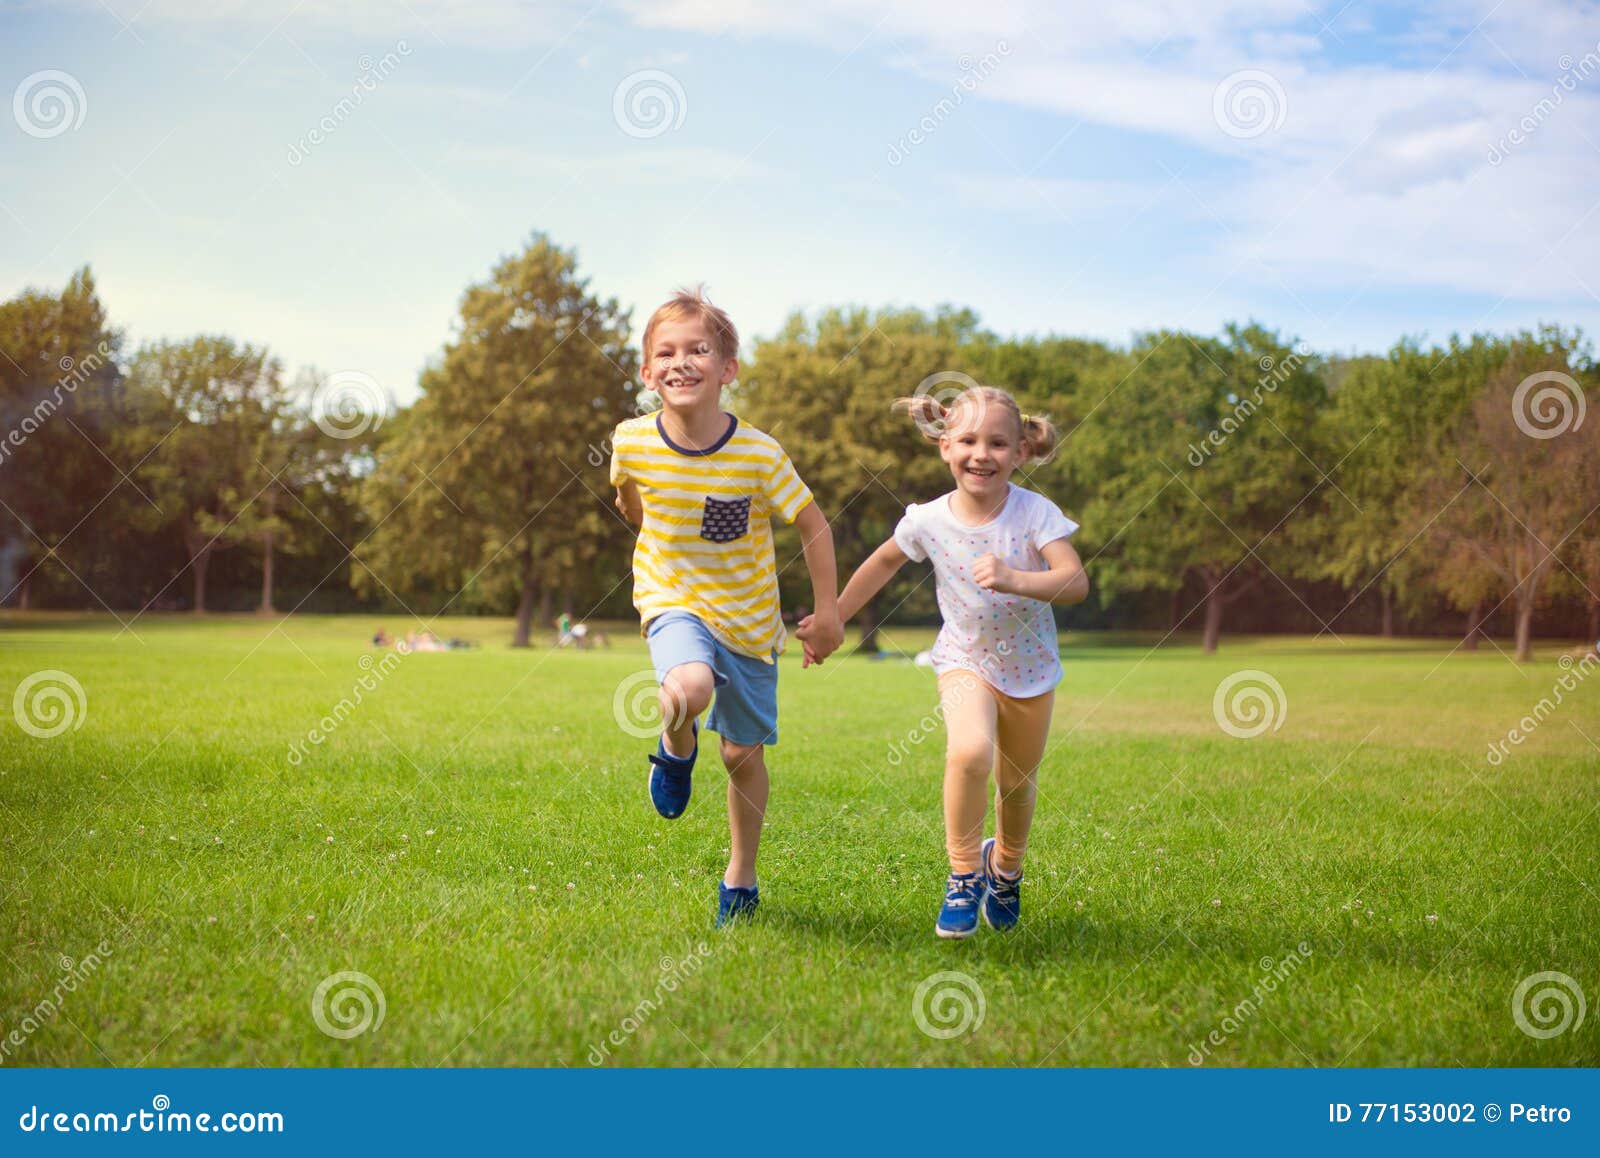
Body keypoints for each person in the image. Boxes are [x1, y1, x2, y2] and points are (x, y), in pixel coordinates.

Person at [801, 384, 1087, 938]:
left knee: (1017, 785)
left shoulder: (1035, 514)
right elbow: (883, 563)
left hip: (1030, 669)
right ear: (944, 447)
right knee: (969, 752)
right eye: (969, 441)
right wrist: (833, 617)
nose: (982, 454)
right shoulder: (927, 519)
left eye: (999, 443)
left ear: (1021, 453)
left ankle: (1004, 868)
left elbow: (1075, 580)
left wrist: (1016, 578)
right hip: (963, 659)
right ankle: (962, 876)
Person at [610, 287, 843, 927]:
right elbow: (630, 500)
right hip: (672, 600)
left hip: (749, 622)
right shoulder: (630, 441)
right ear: (647, 372)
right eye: (667, 352)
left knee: (742, 754)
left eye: (699, 349)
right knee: (687, 686)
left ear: (728, 367)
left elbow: (814, 525)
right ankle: (675, 743)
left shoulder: (760, 455)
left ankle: (741, 874)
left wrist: (828, 613)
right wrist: (645, 529)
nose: (682, 362)